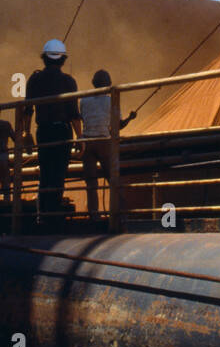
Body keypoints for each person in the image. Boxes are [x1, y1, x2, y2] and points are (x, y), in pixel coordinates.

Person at [22, 39, 81, 224]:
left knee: (46, 173)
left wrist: (26, 133)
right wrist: (80, 137)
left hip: (43, 132)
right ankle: (53, 215)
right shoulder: (68, 81)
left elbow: (27, 109)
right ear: (63, 59)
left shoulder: (34, 79)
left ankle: (42, 215)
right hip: (62, 132)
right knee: (59, 174)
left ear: (44, 58)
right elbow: (73, 113)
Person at [79, 69, 137, 221]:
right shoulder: (112, 100)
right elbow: (117, 126)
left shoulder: (83, 100)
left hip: (87, 143)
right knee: (113, 179)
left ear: (93, 83)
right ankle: (119, 213)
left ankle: (94, 215)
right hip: (104, 142)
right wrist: (130, 118)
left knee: (91, 182)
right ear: (108, 84)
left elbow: (84, 120)